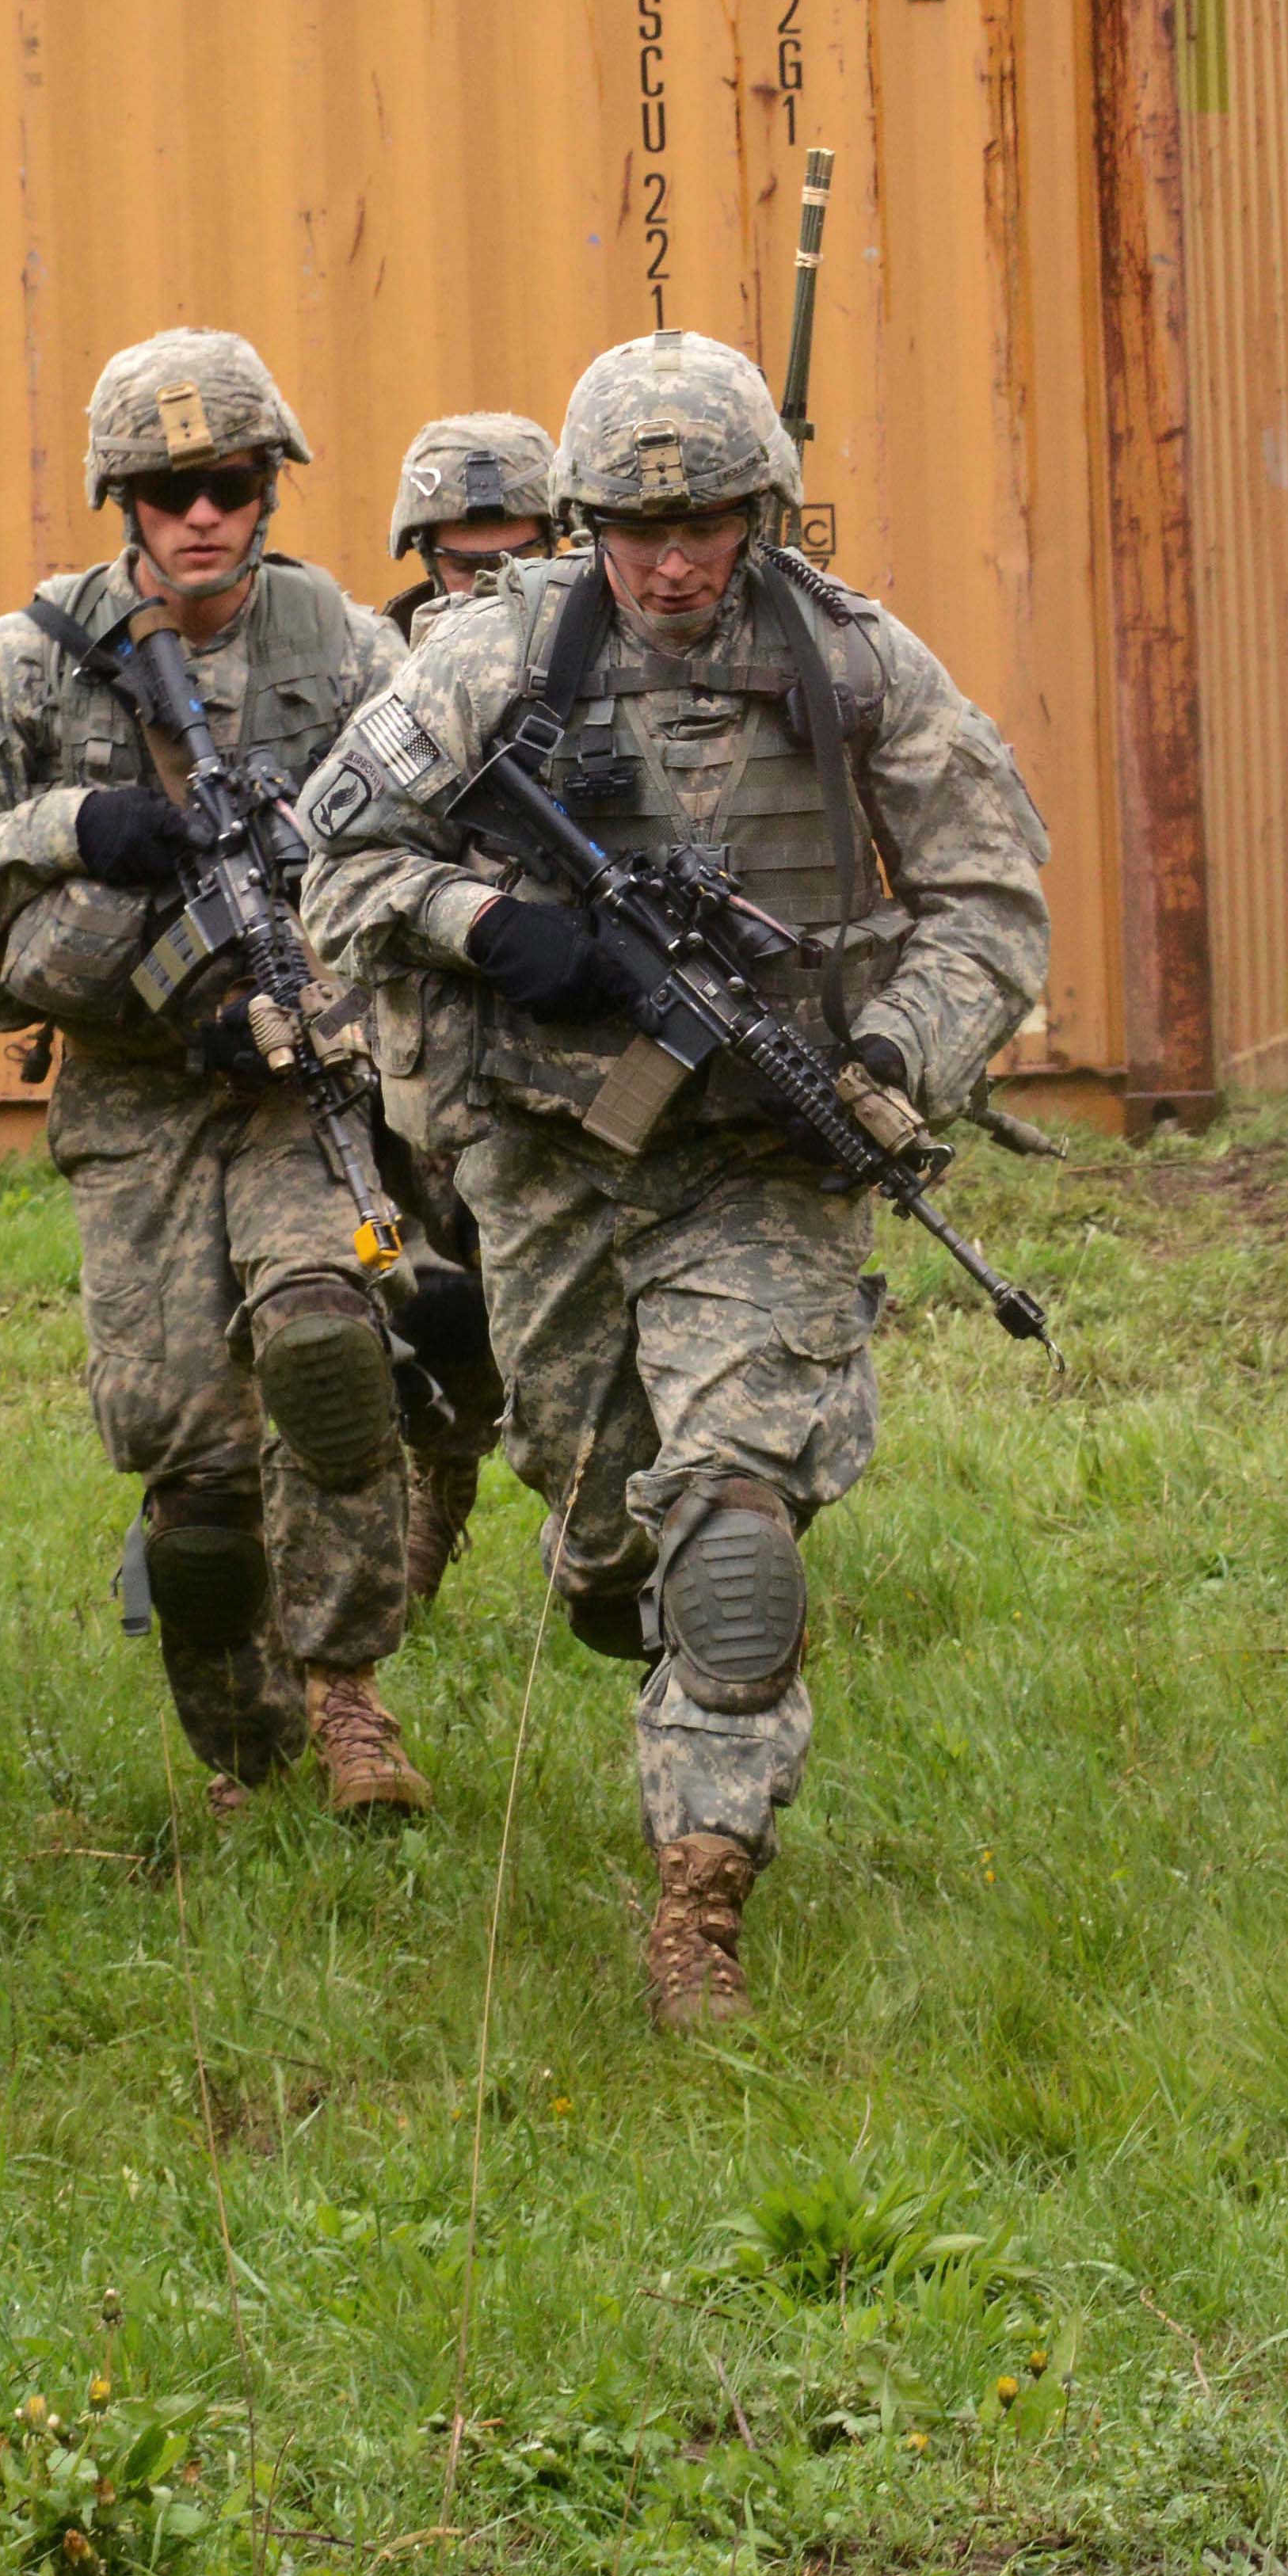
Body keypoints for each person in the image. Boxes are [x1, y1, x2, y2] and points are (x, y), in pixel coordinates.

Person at [301, 332, 1050, 2027]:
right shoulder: (494, 660)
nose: (672, 559)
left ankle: (698, 1906)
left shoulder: (857, 667)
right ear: (586, 522)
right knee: (605, 1530)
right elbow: (335, 862)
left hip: (766, 1166)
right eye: (635, 526)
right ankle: (605, 1570)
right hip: (550, 1163)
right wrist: (489, 923)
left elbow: (993, 899)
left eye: (705, 518)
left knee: (730, 1533)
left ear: (760, 509)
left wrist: (892, 1062)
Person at [0, 330, 436, 1822]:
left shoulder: (344, 649)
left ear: (270, 488)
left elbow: (454, 818)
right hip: (135, 1091)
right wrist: (72, 826)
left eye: (231, 483)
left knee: (327, 1353)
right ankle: (243, 1748)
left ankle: (346, 1699)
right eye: (169, 488)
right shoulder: (35, 658)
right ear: (122, 500)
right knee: (191, 1464)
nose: (203, 515)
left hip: (297, 1079)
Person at [364, 407, 568, 1591]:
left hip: (564, 1046)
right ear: (421, 553)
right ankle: (428, 1499)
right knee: (422, 1308)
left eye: (521, 555)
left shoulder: (598, 661)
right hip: (409, 1055)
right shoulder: (371, 677)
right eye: (463, 558)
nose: (492, 580)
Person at [382, 409, 560, 639]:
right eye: (466, 567)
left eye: (518, 566)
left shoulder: (608, 651)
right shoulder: (389, 664)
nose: (493, 589)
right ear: (430, 563)